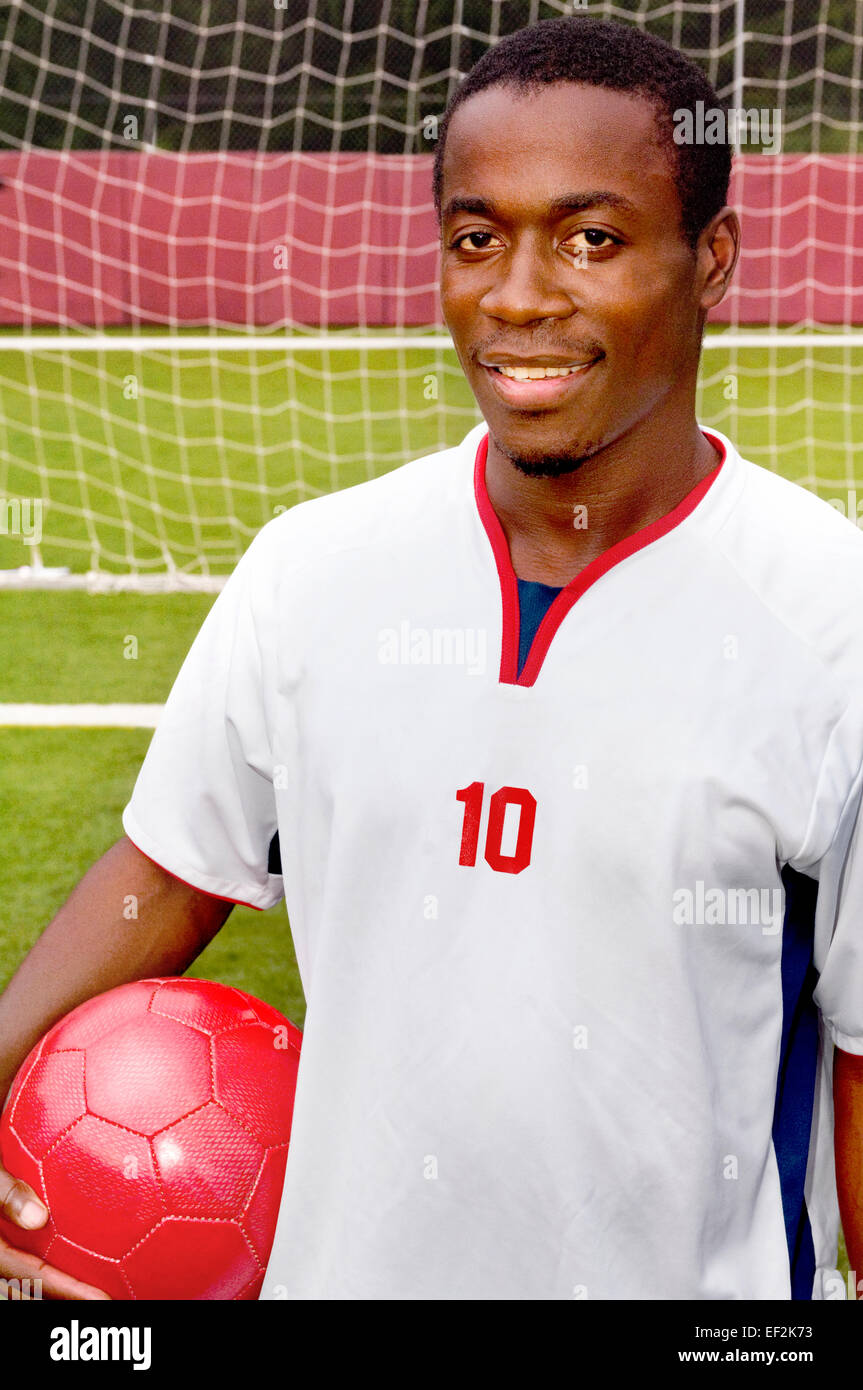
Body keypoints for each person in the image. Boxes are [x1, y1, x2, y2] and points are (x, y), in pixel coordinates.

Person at [2, 13, 863, 1301]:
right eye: (476, 238)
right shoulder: (312, 571)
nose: (518, 296)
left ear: (712, 260)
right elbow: (169, 879)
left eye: (591, 239)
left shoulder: (832, 622)